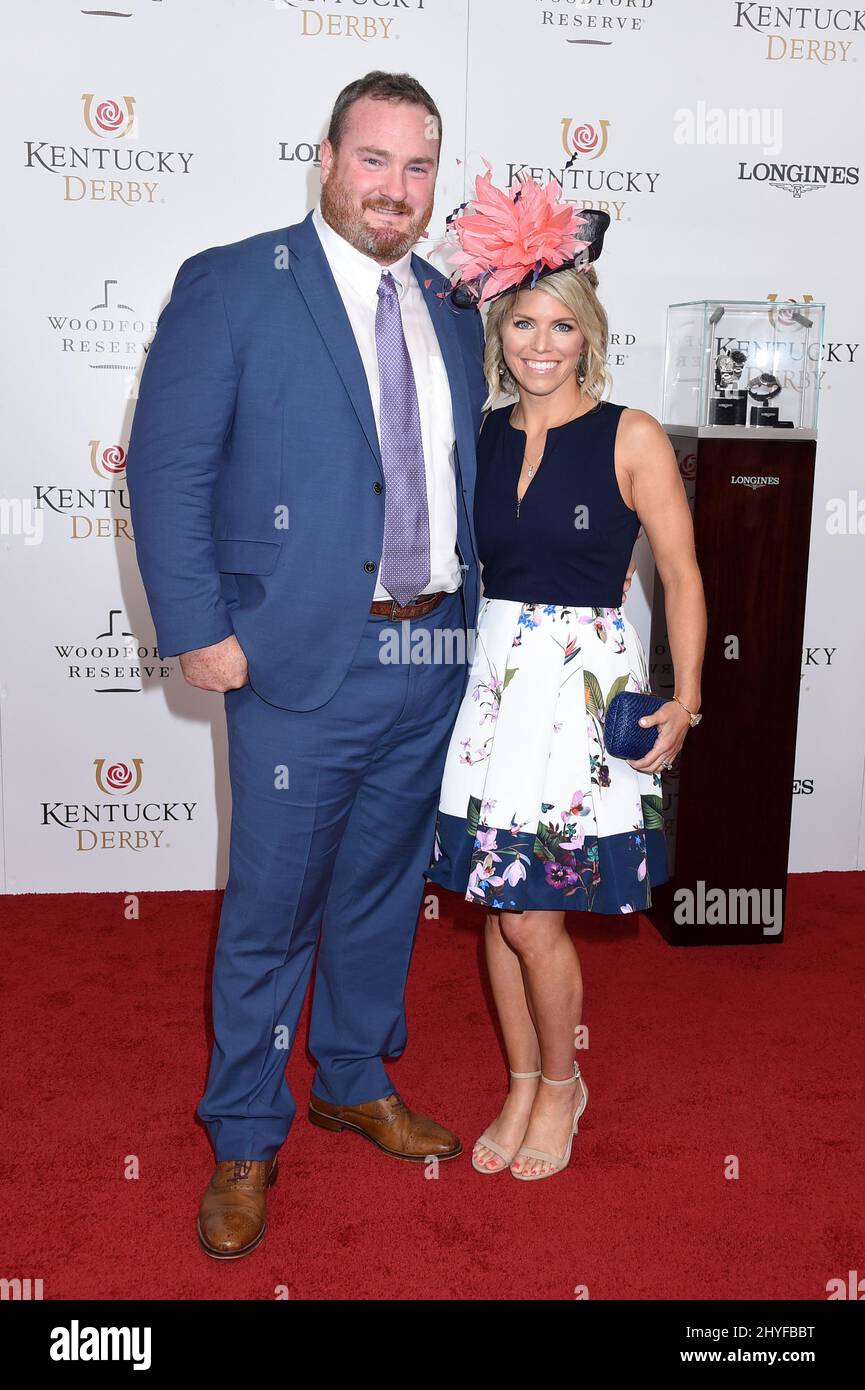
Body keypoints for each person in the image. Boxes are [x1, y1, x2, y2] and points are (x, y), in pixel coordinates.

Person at [125, 71, 490, 1259]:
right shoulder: (233, 283)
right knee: (273, 909)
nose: (395, 188)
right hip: (291, 654)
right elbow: (167, 471)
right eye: (374, 159)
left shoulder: (448, 304)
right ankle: (243, 1131)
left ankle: (349, 1073)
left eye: (418, 167)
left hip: (429, 647)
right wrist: (195, 626)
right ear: (327, 158)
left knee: (384, 887)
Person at [423, 165, 707, 1182]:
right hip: (497, 690)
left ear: (590, 333)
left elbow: (679, 574)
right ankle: (520, 1076)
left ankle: (560, 1084)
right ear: (498, 333)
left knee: (532, 912)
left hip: (582, 690)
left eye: (561, 327)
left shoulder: (629, 435)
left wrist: (686, 697)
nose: (540, 345)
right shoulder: (488, 435)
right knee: (501, 904)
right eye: (522, 326)